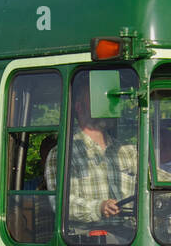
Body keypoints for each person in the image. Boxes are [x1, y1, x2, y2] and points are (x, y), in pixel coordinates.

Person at [44, 76, 136, 225]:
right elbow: (61, 202)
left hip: (132, 235)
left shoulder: (128, 151)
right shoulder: (63, 154)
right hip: (90, 240)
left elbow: (159, 180)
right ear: (79, 107)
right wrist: (98, 208)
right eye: (97, 99)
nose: (106, 106)